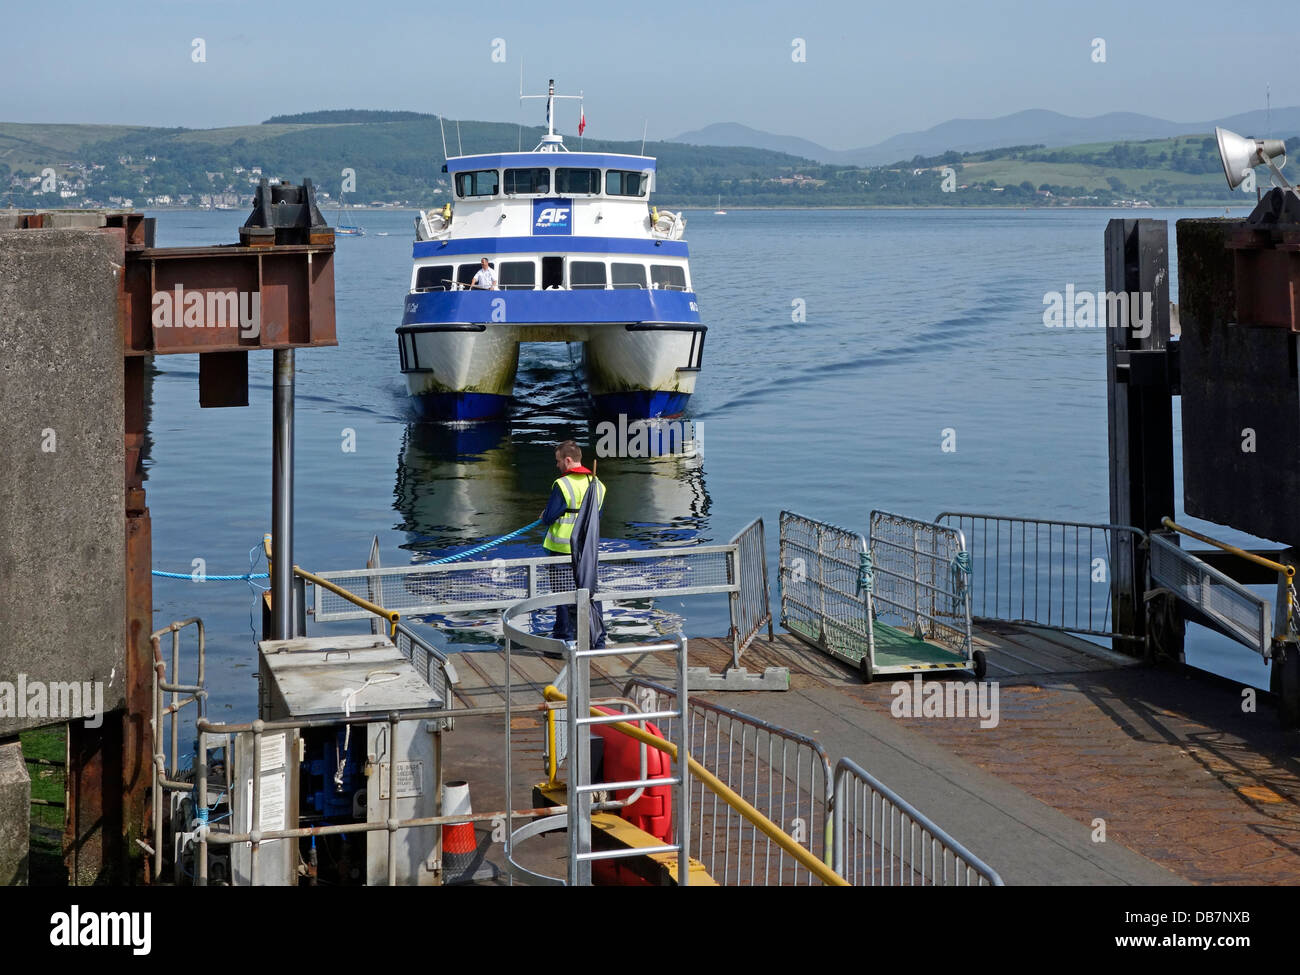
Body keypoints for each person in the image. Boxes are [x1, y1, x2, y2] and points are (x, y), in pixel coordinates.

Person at [540, 440, 606, 644]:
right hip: (586, 550)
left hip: (561, 549)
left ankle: (563, 640)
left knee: (563, 597)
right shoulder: (598, 485)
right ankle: (598, 640)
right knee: (589, 593)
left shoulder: (562, 484)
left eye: (558, 461)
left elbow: (549, 517)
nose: (557, 465)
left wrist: (544, 515)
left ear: (568, 460)